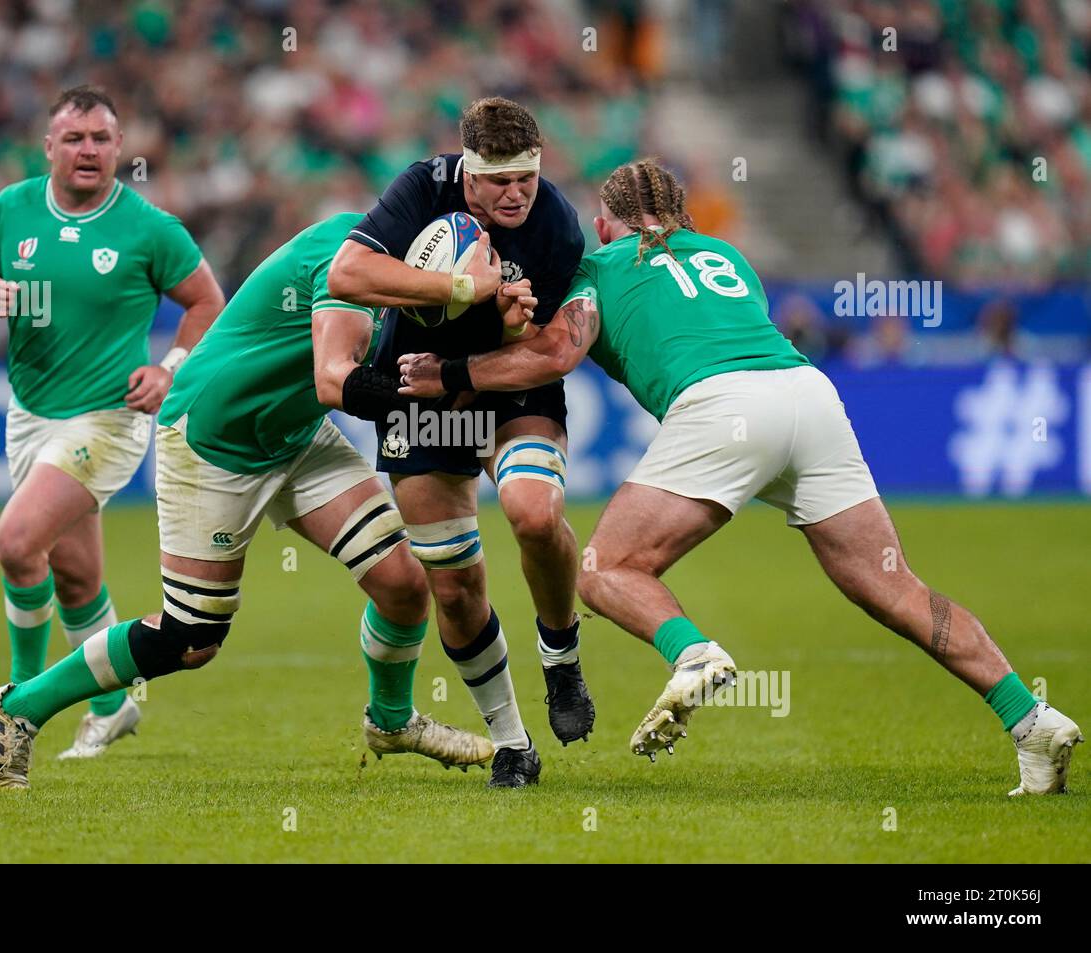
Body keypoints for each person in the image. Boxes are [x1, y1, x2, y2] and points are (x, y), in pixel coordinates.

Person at [398, 157, 1083, 796]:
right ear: (684, 215)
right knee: (894, 585)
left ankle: (693, 654)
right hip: (809, 396)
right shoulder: (727, 255)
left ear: (605, 226)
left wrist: (449, 371)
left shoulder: (598, 267)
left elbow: (553, 355)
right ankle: (1031, 719)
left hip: (724, 405)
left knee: (605, 570)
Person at [0, 213, 492, 789]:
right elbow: (338, 381)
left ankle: (391, 722)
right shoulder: (344, 254)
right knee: (191, 638)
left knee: (403, 584)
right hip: (214, 440)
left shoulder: (406, 266)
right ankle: (16, 708)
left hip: (295, 435)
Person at [0, 86, 224, 759]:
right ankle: (109, 705)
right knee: (73, 577)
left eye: (101, 138)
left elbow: (207, 302)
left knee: (16, 542)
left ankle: (15, 705)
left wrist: (170, 368)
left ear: (120, 147)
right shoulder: (12, 209)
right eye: (74, 138)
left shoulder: (149, 228)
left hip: (107, 420)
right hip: (29, 415)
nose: (88, 150)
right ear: (49, 147)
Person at [328, 97, 589, 787]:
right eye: (498, 180)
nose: (515, 194)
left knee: (535, 514)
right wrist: (463, 286)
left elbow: (539, 348)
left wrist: (507, 323)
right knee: (454, 586)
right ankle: (512, 743)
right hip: (420, 388)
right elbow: (346, 275)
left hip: (506, 386)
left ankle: (561, 655)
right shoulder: (423, 186)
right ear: (467, 172)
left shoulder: (558, 226)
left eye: (526, 177)